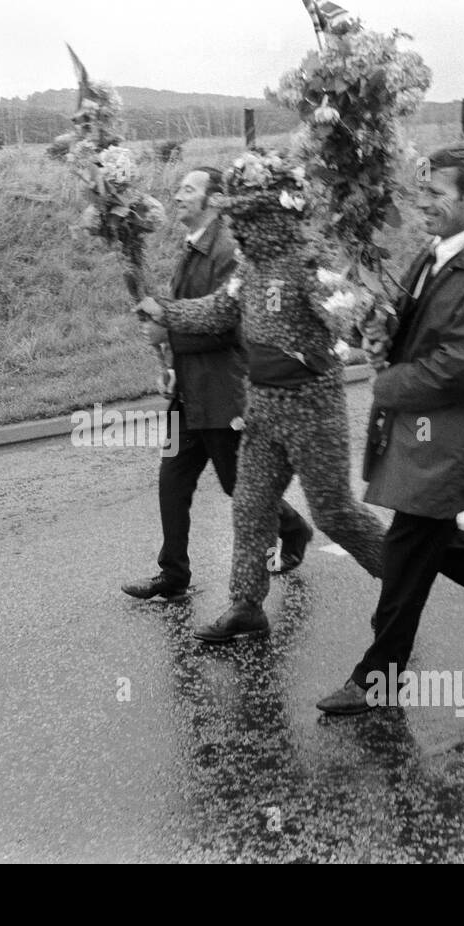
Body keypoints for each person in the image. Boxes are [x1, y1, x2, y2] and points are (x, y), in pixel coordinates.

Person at [316, 143, 464, 715]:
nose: (423, 204)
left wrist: (389, 382)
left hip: (451, 434)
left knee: (407, 550)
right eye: (420, 191)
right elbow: (413, 322)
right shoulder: (434, 251)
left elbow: (462, 366)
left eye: (436, 194)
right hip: (420, 427)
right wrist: (376, 332)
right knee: (433, 538)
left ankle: (380, 675)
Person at [138, 151, 386, 642]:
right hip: (263, 409)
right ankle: (246, 605)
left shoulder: (305, 265)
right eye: (236, 218)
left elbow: (345, 311)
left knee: (333, 512)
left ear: (273, 216)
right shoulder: (248, 271)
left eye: (247, 218)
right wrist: (165, 311)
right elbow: (216, 312)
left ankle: (401, 579)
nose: (239, 228)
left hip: (312, 410)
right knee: (249, 507)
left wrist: (368, 319)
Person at [122, 166, 312, 602]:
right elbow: (186, 309)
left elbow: (227, 325)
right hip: (188, 395)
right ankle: (173, 574)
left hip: (224, 395)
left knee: (237, 485)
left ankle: (295, 529)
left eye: (189, 189)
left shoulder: (228, 251)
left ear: (214, 199)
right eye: (179, 188)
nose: (178, 195)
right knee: (172, 482)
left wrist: (168, 331)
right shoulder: (192, 247)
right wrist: (170, 363)